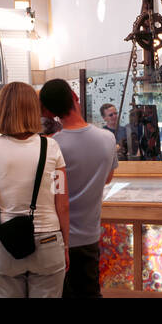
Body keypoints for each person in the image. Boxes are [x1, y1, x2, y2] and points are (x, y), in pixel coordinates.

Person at [0, 81, 68, 298]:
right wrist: (65, 245)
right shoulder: (51, 147)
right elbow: (62, 203)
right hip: (49, 240)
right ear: (33, 109)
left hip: (8, 242)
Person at [39, 79, 117, 299]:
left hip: (58, 238)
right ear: (74, 95)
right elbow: (108, 178)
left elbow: (52, 191)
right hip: (90, 235)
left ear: (51, 112)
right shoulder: (107, 138)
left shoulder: (52, 145)